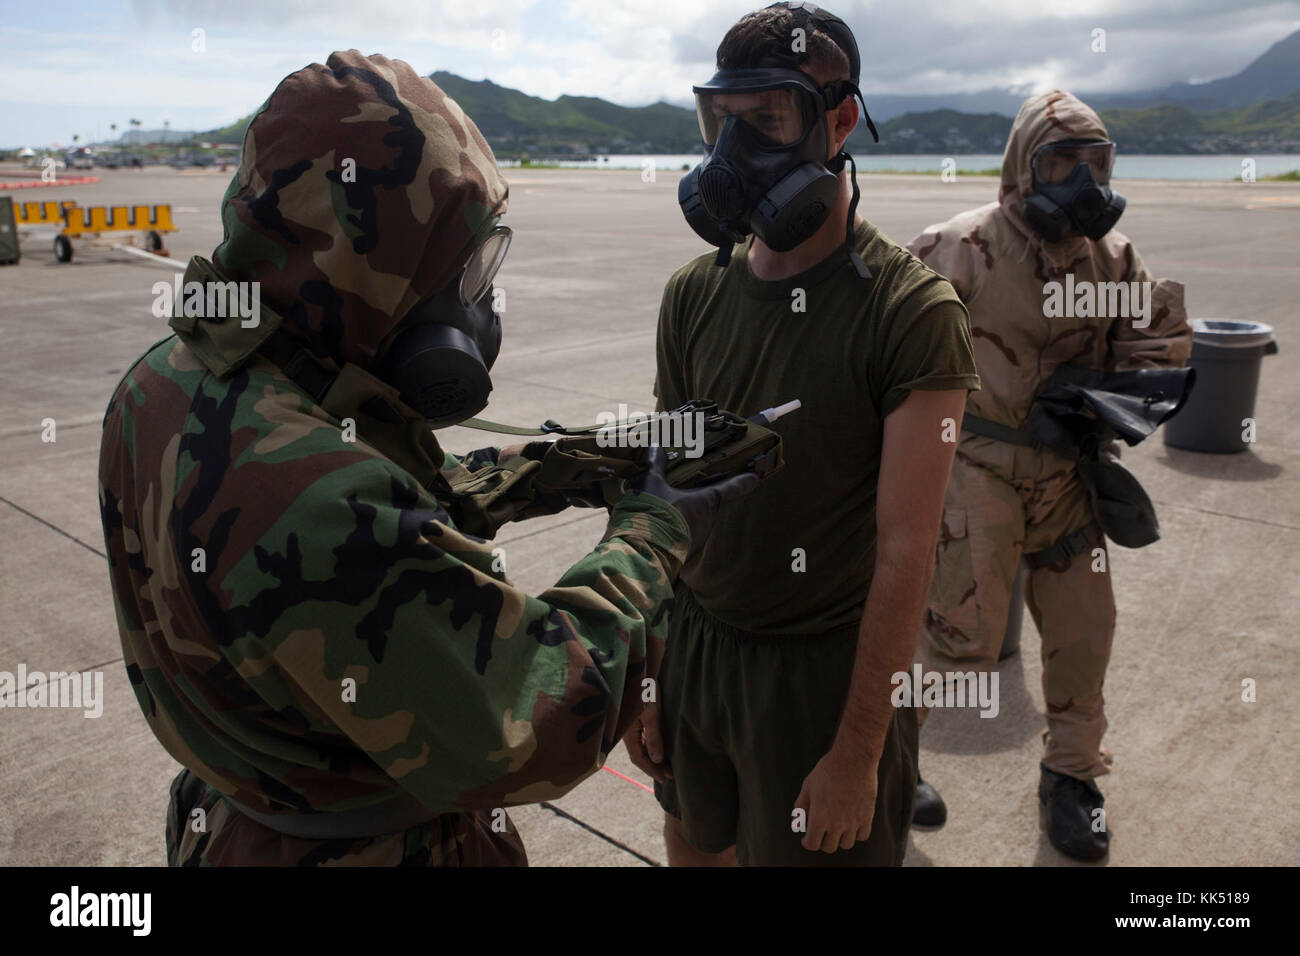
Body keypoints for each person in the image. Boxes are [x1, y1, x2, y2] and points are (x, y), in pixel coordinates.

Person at [97, 50, 756, 867]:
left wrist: (569, 463)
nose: (472, 300)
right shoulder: (317, 492)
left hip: (233, 818)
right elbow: (535, 717)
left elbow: (393, 499)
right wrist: (655, 531)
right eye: (454, 265)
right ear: (365, 254)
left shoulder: (171, 377)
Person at [624, 2, 980, 866]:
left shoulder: (911, 313)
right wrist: (648, 674)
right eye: (724, 122)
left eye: (770, 119)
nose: (737, 152)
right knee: (692, 844)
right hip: (700, 650)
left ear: (841, 118)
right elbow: (658, 496)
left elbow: (906, 550)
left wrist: (858, 751)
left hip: (827, 677)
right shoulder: (693, 294)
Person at [905, 90, 1191, 860]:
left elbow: (1160, 352)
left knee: (1084, 634)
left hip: (1069, 473)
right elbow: (885, 360)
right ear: (1022, 166)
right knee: (950, 638)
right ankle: (891, 764)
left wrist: (1106, 400)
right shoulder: (955, 248)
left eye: (1097, 164)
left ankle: (1071, 778)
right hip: (977, 469)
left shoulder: (1115, 258)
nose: (1084, 182)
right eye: (1062, 163)